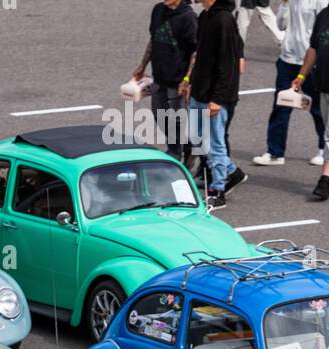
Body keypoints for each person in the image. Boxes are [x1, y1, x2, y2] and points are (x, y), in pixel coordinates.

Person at [182, 0, 244, 208]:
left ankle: (218, 189)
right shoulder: (205, 16)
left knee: (215, 143)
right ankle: (232, 172)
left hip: (215, 97)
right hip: (199, 90)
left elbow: (228, 64)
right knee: (197, 139)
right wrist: (189, 80)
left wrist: (218, 99)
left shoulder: (224, 20)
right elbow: (199, 56)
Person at [254, 1, 325, 165]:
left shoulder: (320, 1)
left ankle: (324, 149)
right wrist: (285, 4)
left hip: (310, 62)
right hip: (287, 60)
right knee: (280, 106)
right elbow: (280, 25)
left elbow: (323, 30)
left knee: (319, 109)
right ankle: (275, 152)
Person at [132, 0, 198, 163]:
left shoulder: (188, 18)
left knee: (179, 119)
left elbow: (195, 51)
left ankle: (184, 151)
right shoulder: (158, 10)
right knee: (159, 115)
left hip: (178, 81)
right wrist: (142, 65)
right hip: (159, 77)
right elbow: (153, 39)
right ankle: (176, 148)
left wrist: (187, 78)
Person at [292, 4, 329, 197]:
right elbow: (314, 47)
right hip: (323, 85)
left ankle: (325, 179)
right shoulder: (324, 14)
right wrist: (302, 75)